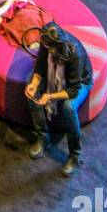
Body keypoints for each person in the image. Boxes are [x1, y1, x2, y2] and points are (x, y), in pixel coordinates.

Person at [25, 21, 94, 176]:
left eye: (47, 46)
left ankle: (74, 155)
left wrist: (49, 96)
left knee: (69, 107)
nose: (43, 47)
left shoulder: (75, 52)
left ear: (54, 47)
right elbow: (40, 65)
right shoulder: (46, 42)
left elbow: (73, 90)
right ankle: (43, 138)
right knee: (31, 88)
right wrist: (34, 84)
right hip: (55, 73)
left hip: (79, 82)